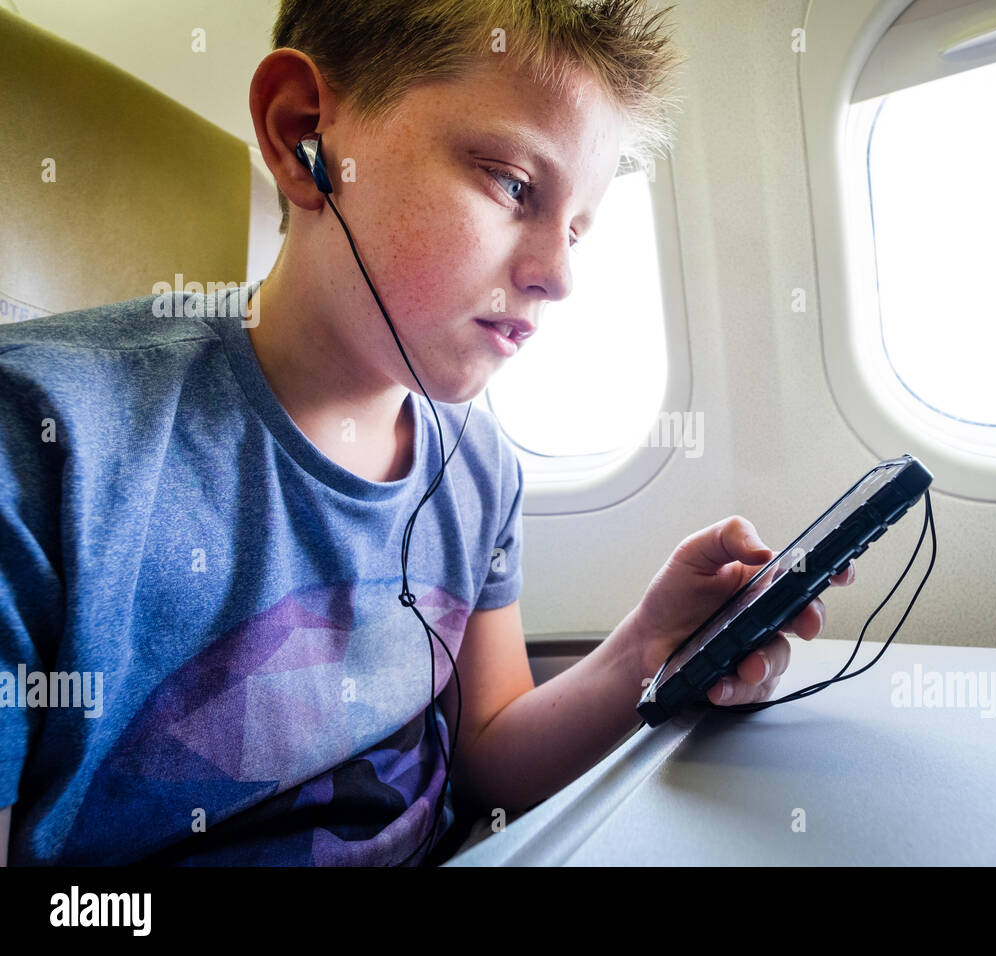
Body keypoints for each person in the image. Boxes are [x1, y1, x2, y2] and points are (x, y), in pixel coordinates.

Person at [0, 0, 855, 866]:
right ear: (305, 136)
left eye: (577, 229)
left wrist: (646, 647)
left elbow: (489, 752)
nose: (558, 275)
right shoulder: (40, 442)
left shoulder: (478, 467)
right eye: (513, 184)